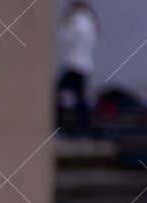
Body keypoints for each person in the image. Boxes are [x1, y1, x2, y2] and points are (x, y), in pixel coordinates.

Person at [56, 2, 98, 137]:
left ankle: (63, 126)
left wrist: (64, 23)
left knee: (57, 93)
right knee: (80, 99)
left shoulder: (76, 21)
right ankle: (82, 128)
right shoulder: (90, 21)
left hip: (74, 64)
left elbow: (66, 39)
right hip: (84, 65)